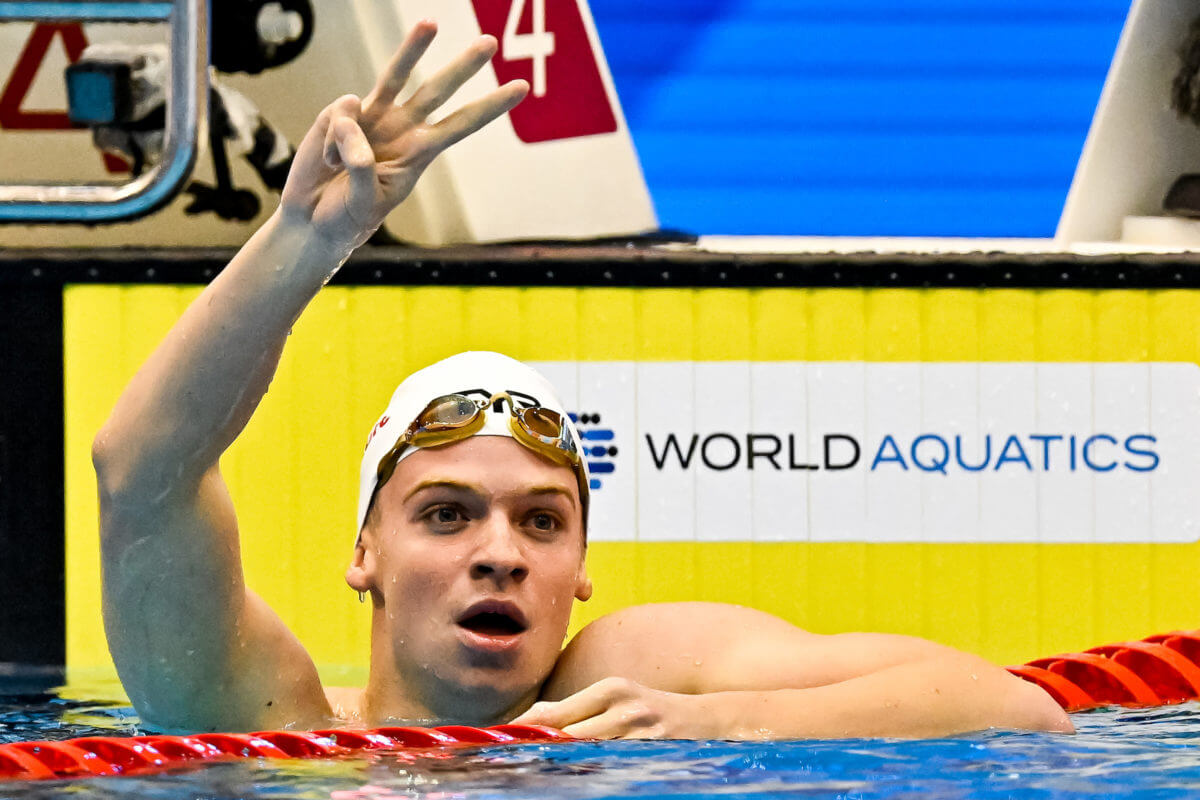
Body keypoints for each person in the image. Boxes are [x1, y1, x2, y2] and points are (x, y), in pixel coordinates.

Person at [93, 21, 1074, 738]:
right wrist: (304, 244)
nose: (501, 552)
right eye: (444, 512)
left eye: (542, 518)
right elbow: (139, 472)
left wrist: (720, 721)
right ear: (364, 552)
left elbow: (1021, 710)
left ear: (581, 569)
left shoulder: (623, 680)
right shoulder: (272, 716)